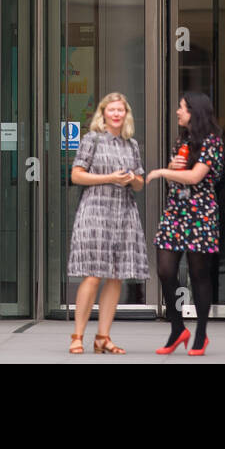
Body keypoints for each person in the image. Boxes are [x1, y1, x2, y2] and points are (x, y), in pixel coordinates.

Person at [65, 93, 148, 355]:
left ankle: (103, 337)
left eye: (120, 110)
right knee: (92, 274)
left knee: (116, 275)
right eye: (111, 109)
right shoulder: (93, 139)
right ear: (103, 113)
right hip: (95, 210)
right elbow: (76, 175)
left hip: (123, 211)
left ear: (126, 114)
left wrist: (131, 179)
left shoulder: (131, 144)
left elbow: (141, 183)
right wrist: (109, 177)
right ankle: (77, 335)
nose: (116, 114)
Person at [147, 92, 223, 356]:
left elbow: (195, 177)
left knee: (199, 273)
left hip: (200, 213)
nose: (178, 112)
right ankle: (178, 327)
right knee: (165, 269)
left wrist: (160, 171)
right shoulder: (182, 139)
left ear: (194, 111)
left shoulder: (212, 141)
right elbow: (178, 177)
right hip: (176, 211)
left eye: (181, 108)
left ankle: (201, 333)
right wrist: (172, 166)